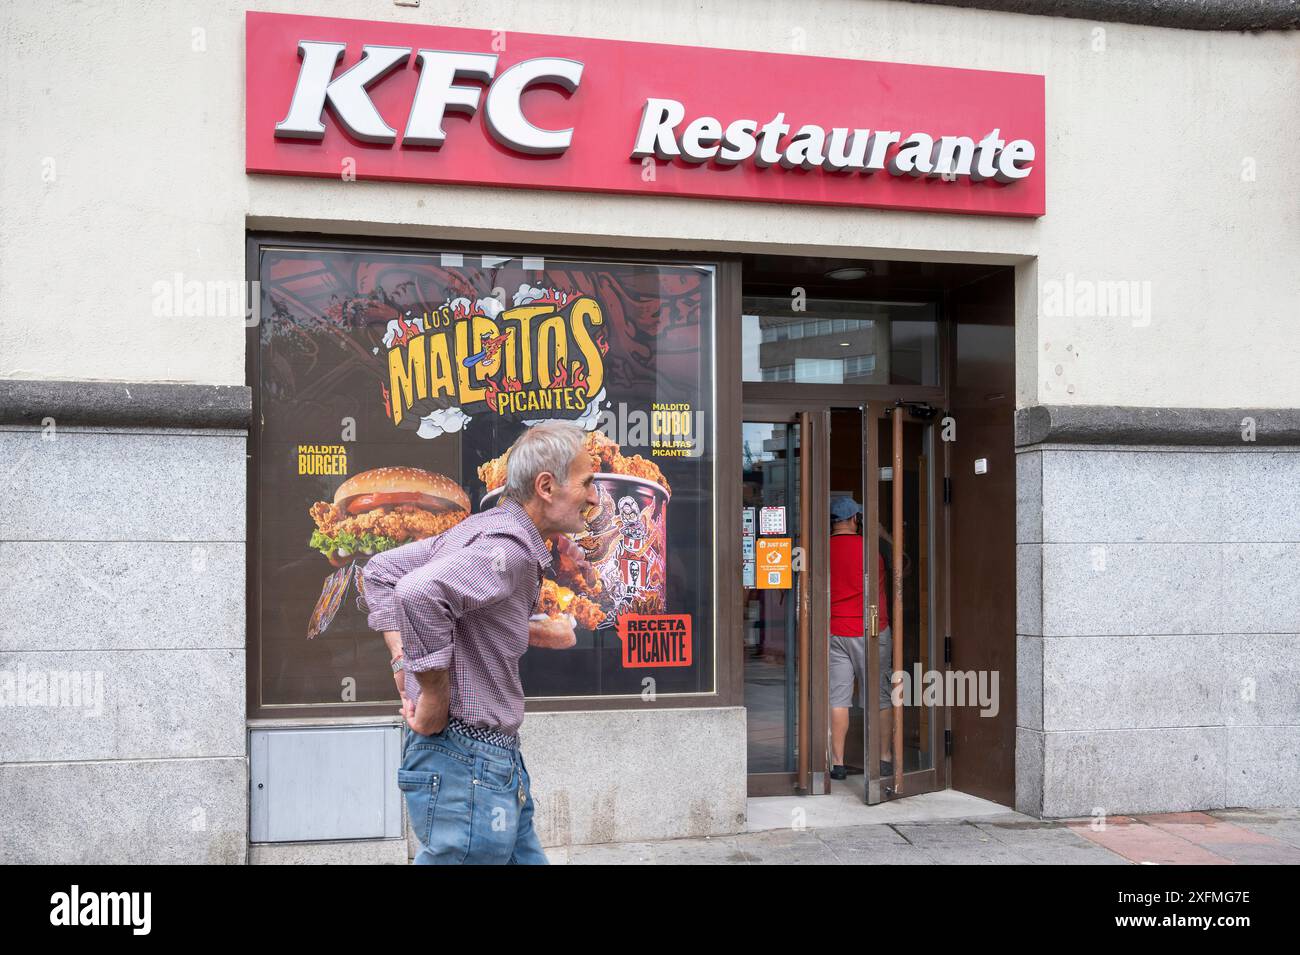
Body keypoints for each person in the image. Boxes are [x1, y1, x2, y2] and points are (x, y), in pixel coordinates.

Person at [359, 421, 598, 864]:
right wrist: (430, 690)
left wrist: (402, 662)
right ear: (546, 486)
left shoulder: (484, 532)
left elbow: (381, 572)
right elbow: (415, 592)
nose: (595, 497)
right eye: (587, 482)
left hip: (486, 763)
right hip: (467, 762)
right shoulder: (505, 550)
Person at [827, 496, 895, 781]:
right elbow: (902, 568)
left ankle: (837, 763)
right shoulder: (871, 551)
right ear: (856, 519)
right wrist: (884, 536)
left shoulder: (822, 550)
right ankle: (884, 757)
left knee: (838, 698)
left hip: (836, 630)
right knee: (879, 696)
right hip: (872, 628)